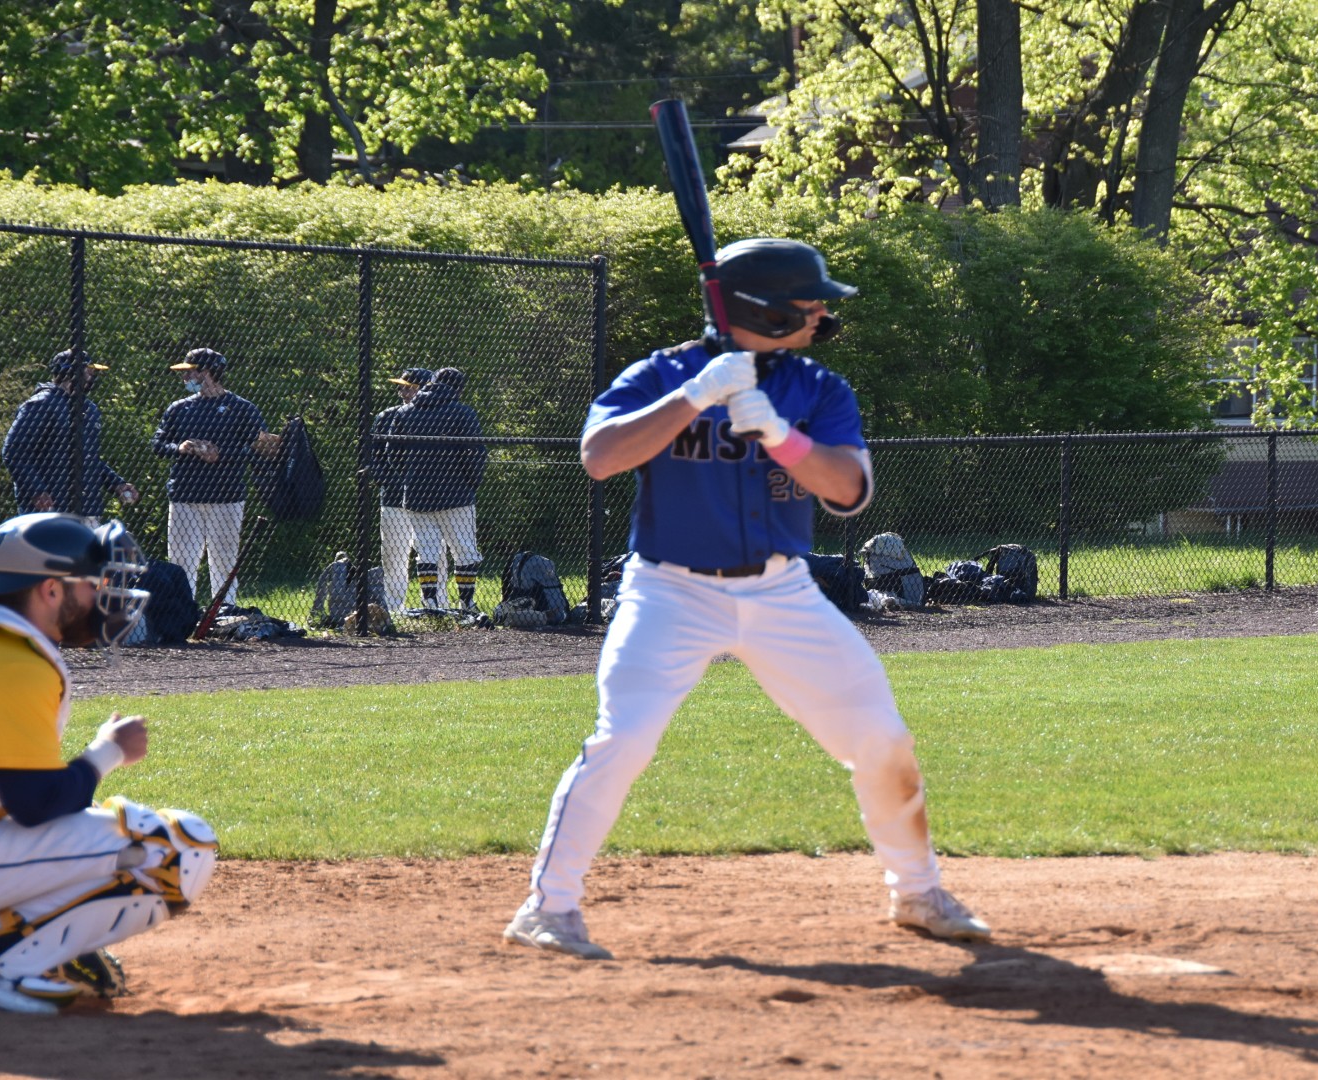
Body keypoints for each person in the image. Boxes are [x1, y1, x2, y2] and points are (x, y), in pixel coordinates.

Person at [504, 238, 989, 960]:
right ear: (763, 309)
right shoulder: (662, 374)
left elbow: (849, 491)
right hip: (668, 590)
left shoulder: (818, 388)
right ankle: (548, 908)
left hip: (782, 592)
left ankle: (919, 893)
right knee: (622, 739)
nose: (821, 312)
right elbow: (600, 457)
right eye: (808, 301)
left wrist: (781, 436)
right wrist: (693, 397)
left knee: (882, 737)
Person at [0, 513, 217, 1014]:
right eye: (94, 584)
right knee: (178, 846)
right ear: (51, 590)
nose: (105, 596)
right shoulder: (14, 661)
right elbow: (36, 805)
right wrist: (108, 752)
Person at [150, 348, 266, 606]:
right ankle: (182, 613)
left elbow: (259, 449)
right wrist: (179, 448)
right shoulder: (179, 408)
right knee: (181, 561)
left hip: (226, 497)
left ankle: (224, 611)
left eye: (190, 372)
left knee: (224, 560)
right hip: (185, 496)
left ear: (207, 372)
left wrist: (221, 454)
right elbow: (157, 444)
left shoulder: (241, 408)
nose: (185, 378)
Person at [2, 349, 140, 516]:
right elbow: (14, 451)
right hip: (50, 507)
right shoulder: (41, 404)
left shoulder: (88, 409)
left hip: (87, 507)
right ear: (70, 372)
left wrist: (116, 484)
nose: (92, 376)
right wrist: (36, 491)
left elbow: (89, 458)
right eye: (88, 370)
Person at [395, 366, 486, 612]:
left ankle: (430, 602)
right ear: (459, 389)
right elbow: (475, 454)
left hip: (417, 493)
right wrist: (471, 483)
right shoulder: (463, 413)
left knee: (426, 551)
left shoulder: (405, 412)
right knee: (465, 550)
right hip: (456, 494)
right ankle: (466, 603)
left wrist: (410, 475)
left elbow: (393, 453)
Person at [372, 367, 432, 613]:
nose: (403, 392)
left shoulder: (437, 416)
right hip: (395, 497)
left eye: (410, 388)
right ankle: (395, 607)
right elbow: (375, 457)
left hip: (429, 499)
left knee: (432, 553)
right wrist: (391, 481)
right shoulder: (387, 416)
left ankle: (435, 604)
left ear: (425, 389)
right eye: (401, 387)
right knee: (394, 554)